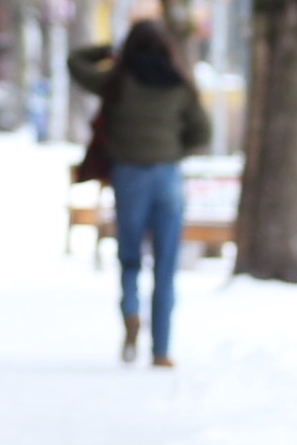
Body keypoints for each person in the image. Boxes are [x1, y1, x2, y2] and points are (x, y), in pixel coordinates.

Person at [68, 19, 209, 368]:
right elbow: (203, 131)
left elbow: (75, 63)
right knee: (165, 263)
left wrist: (107, 50)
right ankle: (161, 350)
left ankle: (131, 310)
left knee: (130, 255)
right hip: (167, 175)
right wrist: (174, 149)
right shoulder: (179, 84)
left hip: (128, 173)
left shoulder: (116, 82)